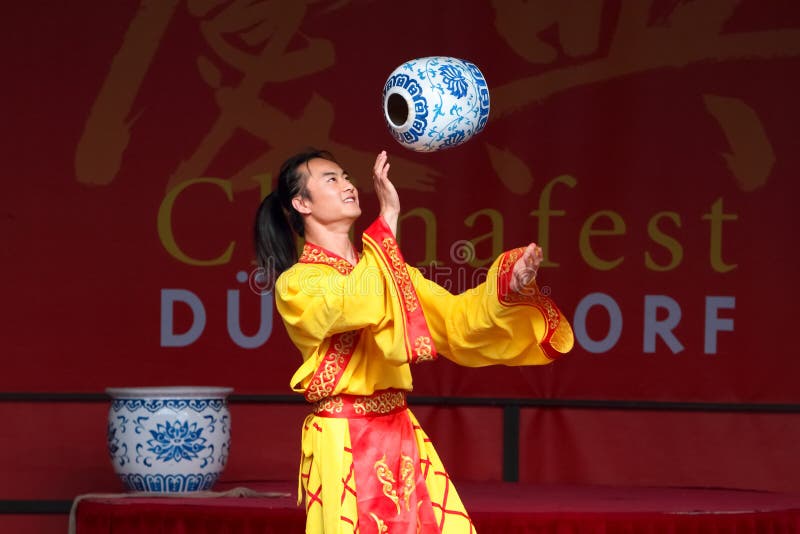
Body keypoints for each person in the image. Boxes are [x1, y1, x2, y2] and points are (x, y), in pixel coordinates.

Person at [254, 148, 574, 534]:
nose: (348, 185)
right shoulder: (298, 282)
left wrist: (506, 285)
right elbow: (356, 304)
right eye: (331, 179)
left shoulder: (391, 269)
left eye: (346, 176)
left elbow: (455, 321)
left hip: (401, 432)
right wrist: (386, 222)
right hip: (344, 439)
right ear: (301, 202)